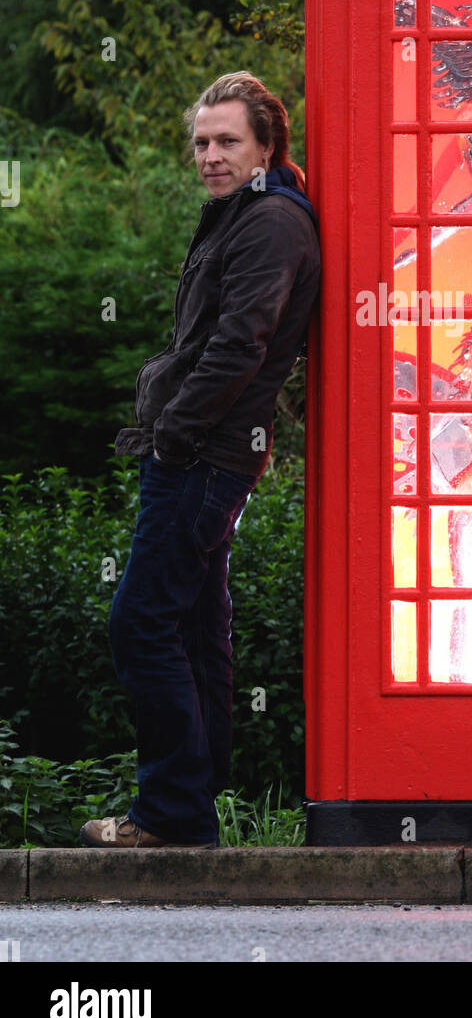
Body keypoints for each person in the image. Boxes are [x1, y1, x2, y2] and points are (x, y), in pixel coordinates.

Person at [80, 71, 320, 848]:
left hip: (205, 454)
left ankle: (172, 810)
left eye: (226, 141)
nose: (209, 155)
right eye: (201, 142)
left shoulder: (271, 223)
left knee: (140, 621)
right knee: (191, 626)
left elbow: (238, 346)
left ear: (265, 145)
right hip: (204, 450)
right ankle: (192, 805)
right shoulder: (238, 213)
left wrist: (176, 434)